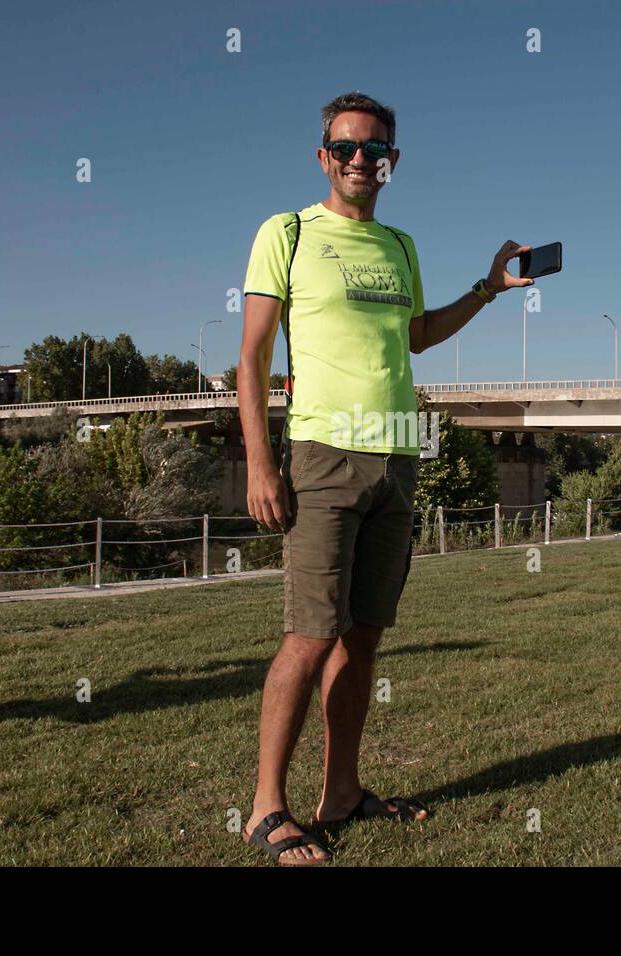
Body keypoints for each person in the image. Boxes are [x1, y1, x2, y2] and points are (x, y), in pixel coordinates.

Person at [237, 91, 533, 865]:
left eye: (377, 151)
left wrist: (487, 289)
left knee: (363, 636)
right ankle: (267, 808)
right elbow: (253, 355)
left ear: (392, 162)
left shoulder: (400, 245)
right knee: (309, 635)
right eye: (348, 148)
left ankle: (341, 791)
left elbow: (418, 336)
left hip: (398, 454)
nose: (362, 161)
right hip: (323, 453)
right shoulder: (289, 232)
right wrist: (260, 460)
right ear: (323, 154)